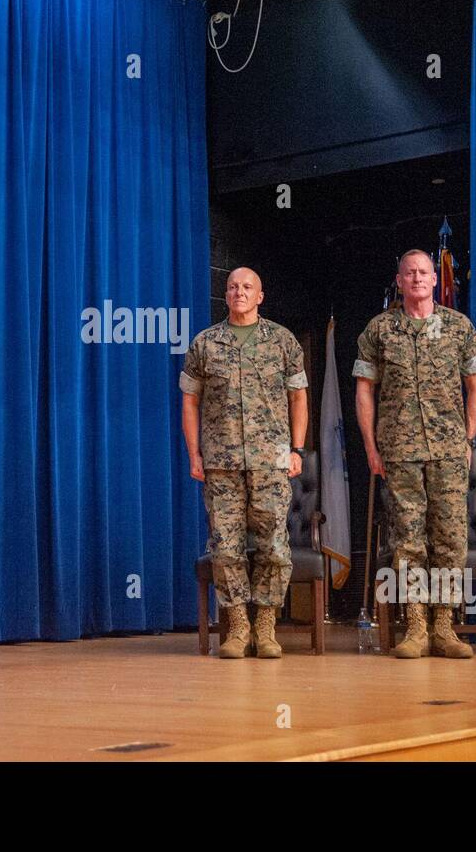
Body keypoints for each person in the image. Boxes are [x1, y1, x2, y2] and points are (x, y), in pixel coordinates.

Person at [353, 250, 476, 658]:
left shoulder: (459, 327)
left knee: (448, 539)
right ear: (399, 280)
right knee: (407, 540)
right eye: (409, 273)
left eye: (424, 273)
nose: (417, 279)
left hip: (448, 450)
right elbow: (364, 392)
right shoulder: (379, 330)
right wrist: (371, 447)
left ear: (434, 280)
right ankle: (415, 627)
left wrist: (466, 440)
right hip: (399, 451)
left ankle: (444, 627)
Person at [180, 267, 308, 659]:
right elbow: (190, 402)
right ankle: (237, 627)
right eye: (233, 286)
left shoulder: (283, 341)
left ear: (260, 295)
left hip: (271, 462)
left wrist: (297, 450)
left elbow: (298, 398)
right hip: (221, 462)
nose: (239, 292)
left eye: (247, 286)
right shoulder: (205, 343)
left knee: (274, 546)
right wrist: (195, 454)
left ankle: (266, 627)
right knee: (226, 547)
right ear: (226, 294)